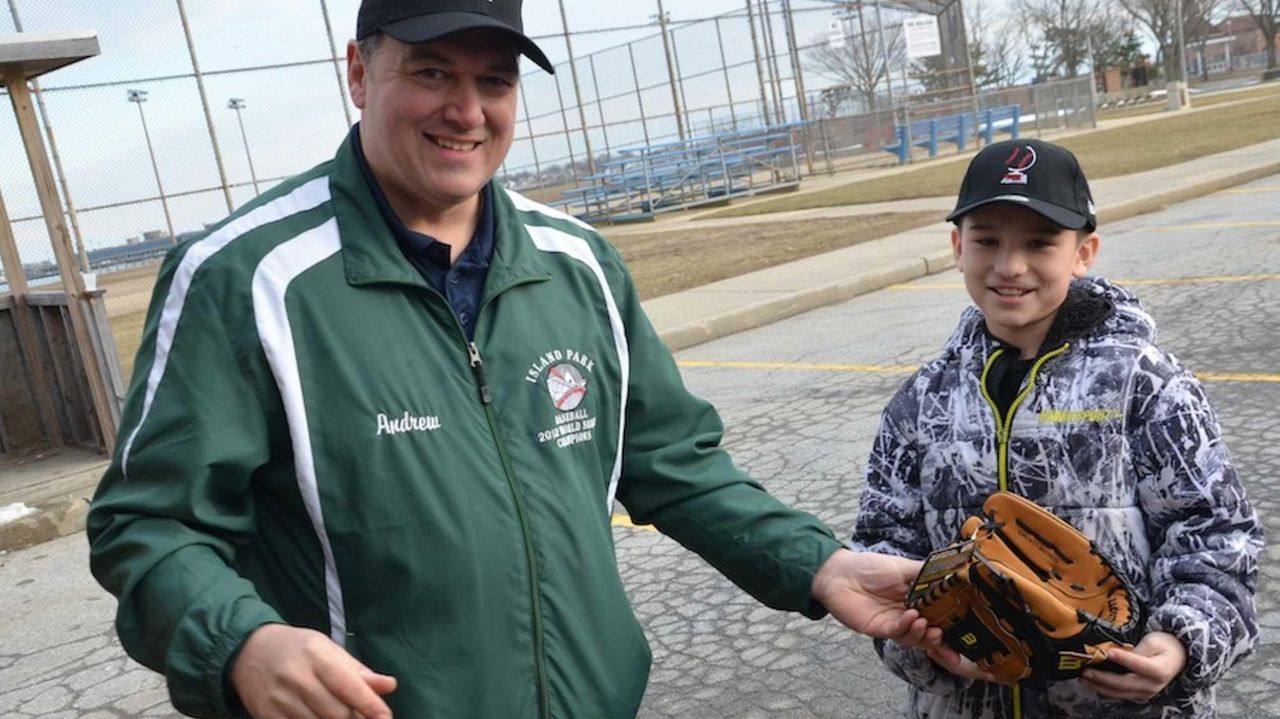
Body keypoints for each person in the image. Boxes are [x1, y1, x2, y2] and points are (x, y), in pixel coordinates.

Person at [87, 1, 940, 717]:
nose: (467, 111)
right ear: (359, 72)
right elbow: (148, 524)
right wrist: (242, 641)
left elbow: (673, 462)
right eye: (432, 72)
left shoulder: (579, 263)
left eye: (494, 81)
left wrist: (817, 563)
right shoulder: (246, 278)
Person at [849, 138, 1262, 718]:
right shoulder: (920, 401)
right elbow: (882, 544)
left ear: (1083, 253)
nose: (1010, 266)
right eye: (987, 240)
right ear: (957, 247)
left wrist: (1178, 643)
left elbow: (1217, 534)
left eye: (1040, 242)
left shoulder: (1146, 384)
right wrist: (923, 644)